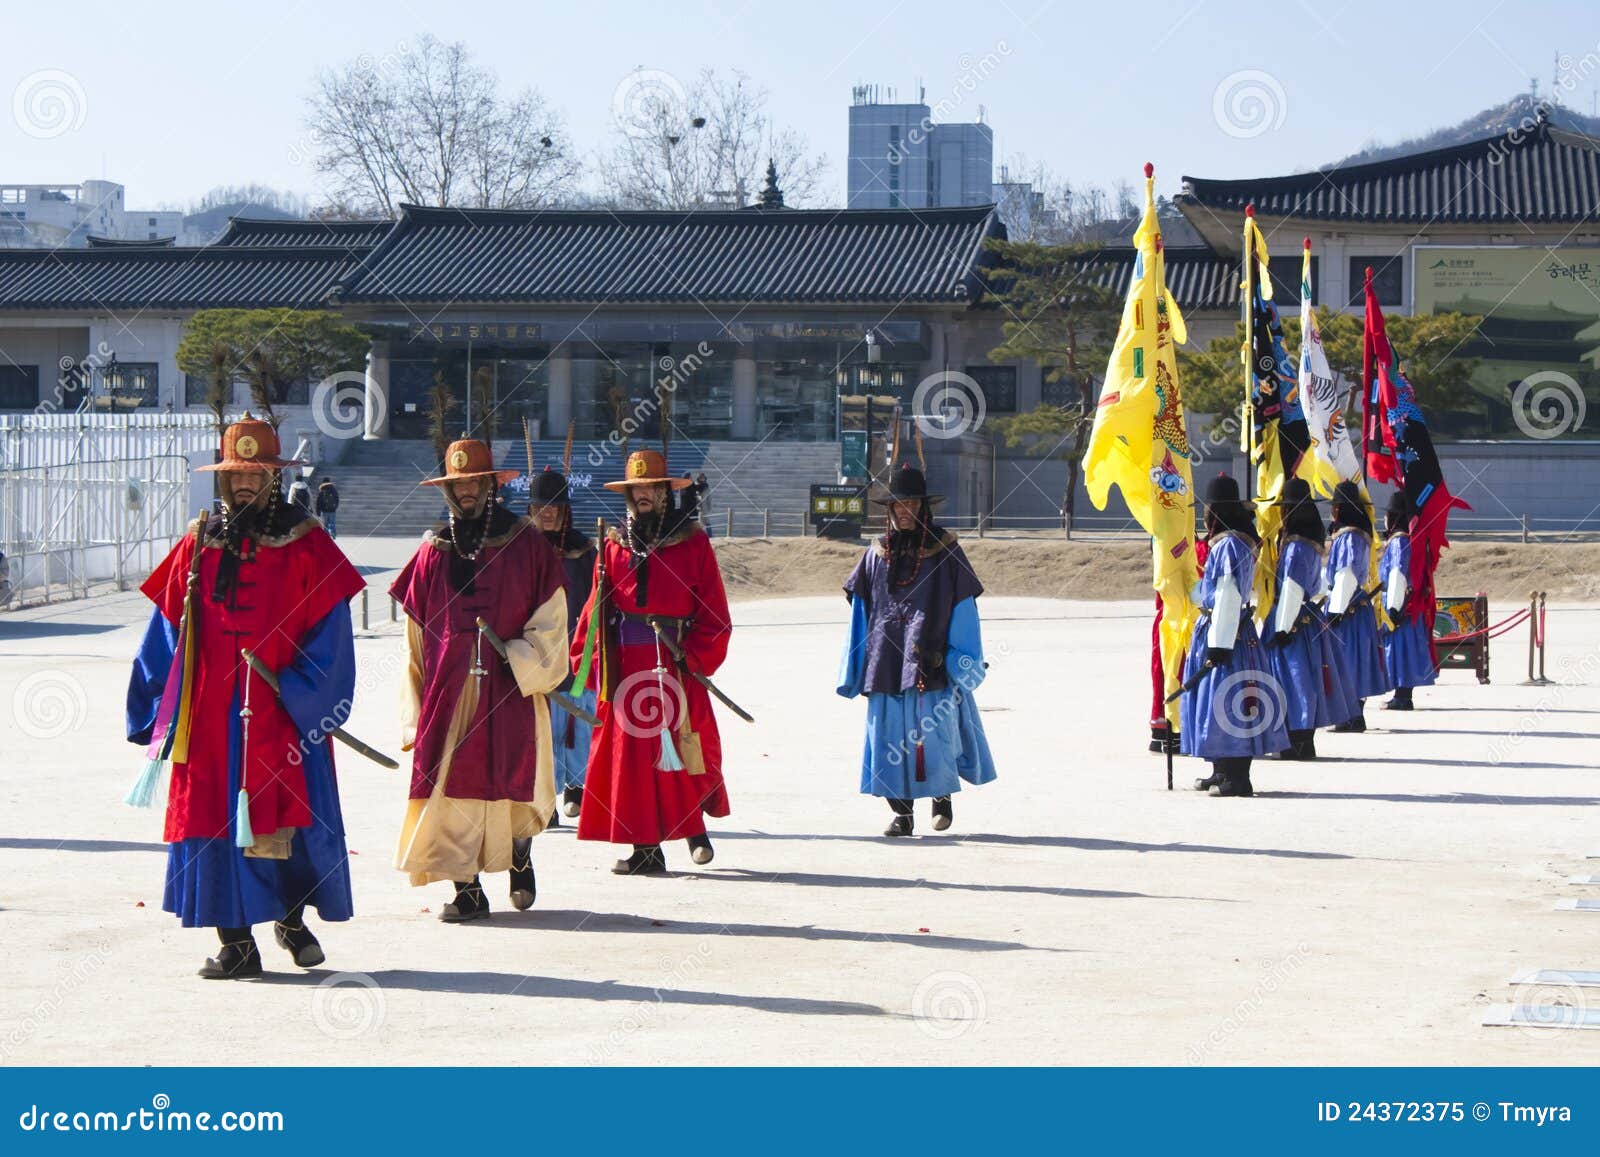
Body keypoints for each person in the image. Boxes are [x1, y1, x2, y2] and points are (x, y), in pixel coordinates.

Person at [125, 415, 364, 978]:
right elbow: (167, 630)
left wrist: (308, 697)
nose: (243, 485)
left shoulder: (308, 544)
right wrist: (153, 706)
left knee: (290, 823)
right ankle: (235, 943)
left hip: (280, 712)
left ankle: (290, 918)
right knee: (210, 822)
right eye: (235, 475)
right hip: (208, 717)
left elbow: (332, 634)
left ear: (274, 476)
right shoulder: (197, 540)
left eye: (255, 474)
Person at [390, 439, 569, 921]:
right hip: (448, 693)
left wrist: (521, 656)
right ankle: (466, 890)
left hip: (510, 685)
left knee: (516, 782)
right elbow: (415, 639)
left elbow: (552, 620)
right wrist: (416, 707)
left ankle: (519, 854)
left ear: (491, 485)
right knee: (449, 789)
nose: (465, 491)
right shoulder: (430, 552)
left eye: (473, 482)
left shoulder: (527, 543)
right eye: (457, 484)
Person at [571, 448, 733, 875]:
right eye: (636, 488)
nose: (642, 494)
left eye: (650, 488)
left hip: (675, 661)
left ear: (665, 492)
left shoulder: (692, 541)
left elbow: (714, 608)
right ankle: (645, 848)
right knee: (634, 758)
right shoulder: (612, 543)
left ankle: (696, 832)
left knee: (686, 746)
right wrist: (584, 658)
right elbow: (595, 607)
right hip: (626, 664)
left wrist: (695, 654)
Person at [838, 463, 996, 835]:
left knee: (935, 735)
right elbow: (860, 610)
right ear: (889, 511)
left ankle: (942, 800)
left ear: (924, 508)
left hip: (933, 662)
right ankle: (902, 814)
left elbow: (964, 608)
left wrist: (958, 657)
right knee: (889, 739)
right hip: (886, 663)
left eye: (910, 504)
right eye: (897, 506)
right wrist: (857, 663)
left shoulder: (947, 552)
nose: (903, 512)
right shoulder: (875, 555)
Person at [1180, 474, 1289, 797]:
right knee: (1217, 702)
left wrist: (1219, 644)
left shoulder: (1229, 545)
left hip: (1227, 635)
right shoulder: (1234, 543)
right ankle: (1220, 769)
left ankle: (1237, 776)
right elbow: (1211, 592)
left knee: (1229, 702)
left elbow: (1227, 595)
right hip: (1222, 628)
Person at [1260, 479, 1353, 760]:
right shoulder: (1310, 545)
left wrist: (1282, 627)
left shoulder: (1295, 548)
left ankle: (1295, 739)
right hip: (1307, 617)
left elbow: (1291, 587)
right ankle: (1302, 740)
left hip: (1291, 618)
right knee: (1306, 678)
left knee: (1292, 679)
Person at [528, 465, 598, 817]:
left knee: (576, 721)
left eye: (555, 505)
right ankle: (545, 800)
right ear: (531, 509)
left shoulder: (583, 550)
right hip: (534, 651)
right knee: (539, 729)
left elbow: (596, 599)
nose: (549, 512)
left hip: (575, 647)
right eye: (542, 505)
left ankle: (575, 788)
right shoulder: (518, 549)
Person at [1324, 481, 1391, 732]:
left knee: (1347, 661)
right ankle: (1353, 714)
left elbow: (1346, 573)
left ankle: (1351, 715)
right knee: (1354, 660)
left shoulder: (1350, 537)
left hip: (1347, 608)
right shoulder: (1358, 534)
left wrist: (1335, 611)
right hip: (1356, 607)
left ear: (1339, 509)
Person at [1378, 490, 1437, 710]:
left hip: (1400, 602)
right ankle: (1403, 694)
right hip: (1411, 603)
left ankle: (1402, 695)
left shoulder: (1398, 542)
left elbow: (1397, 573)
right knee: (1408, 649)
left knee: (1399, 649)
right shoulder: (1412, 539)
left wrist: (1392, 607)